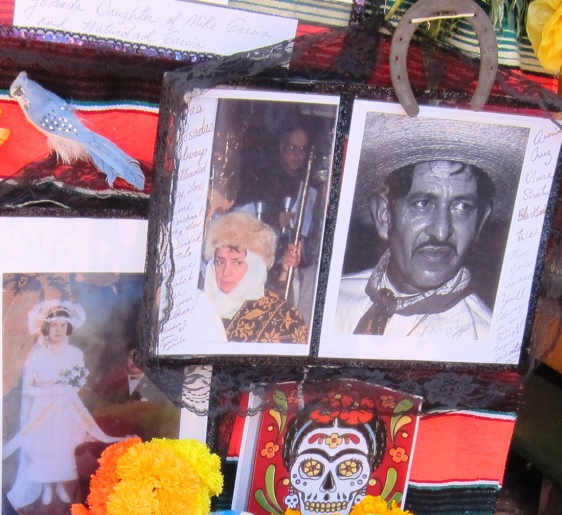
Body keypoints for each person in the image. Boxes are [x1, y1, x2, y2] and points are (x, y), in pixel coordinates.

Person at [335, 112, 529, 339]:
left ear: (480, 223)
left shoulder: (482, 338)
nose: (441, 231)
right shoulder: (333, 302)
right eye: (423, 204)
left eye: (462, 207)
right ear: (384, 215)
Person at [3, 299, 122, 511]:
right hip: (44, 410)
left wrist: (65, 390)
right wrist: (48, 391)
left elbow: (78, 382)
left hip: (67, 408)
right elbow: (27, 387)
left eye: (62, 325)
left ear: (68, 328)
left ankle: (60, 486)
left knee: (64, 446)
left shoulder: (75, 354)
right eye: (54, 325)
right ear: (47, 329)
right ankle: (47, 487)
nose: (58, 330)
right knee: (46, 448)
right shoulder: (37, 355)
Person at [235, 122, 322, 318]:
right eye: (292, 147)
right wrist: (275, 223)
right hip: (267, 267)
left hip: (295, 263)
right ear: (282, 147)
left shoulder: (310, 184)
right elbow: (247, 225)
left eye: (302, 149)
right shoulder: (263, 179)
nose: (297, 155)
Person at [194, 211, 308, 344]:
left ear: (255, 266)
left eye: (237, 263)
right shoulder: (196, 308)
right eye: (220, 262)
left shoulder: (284, 317)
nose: (225, 272)